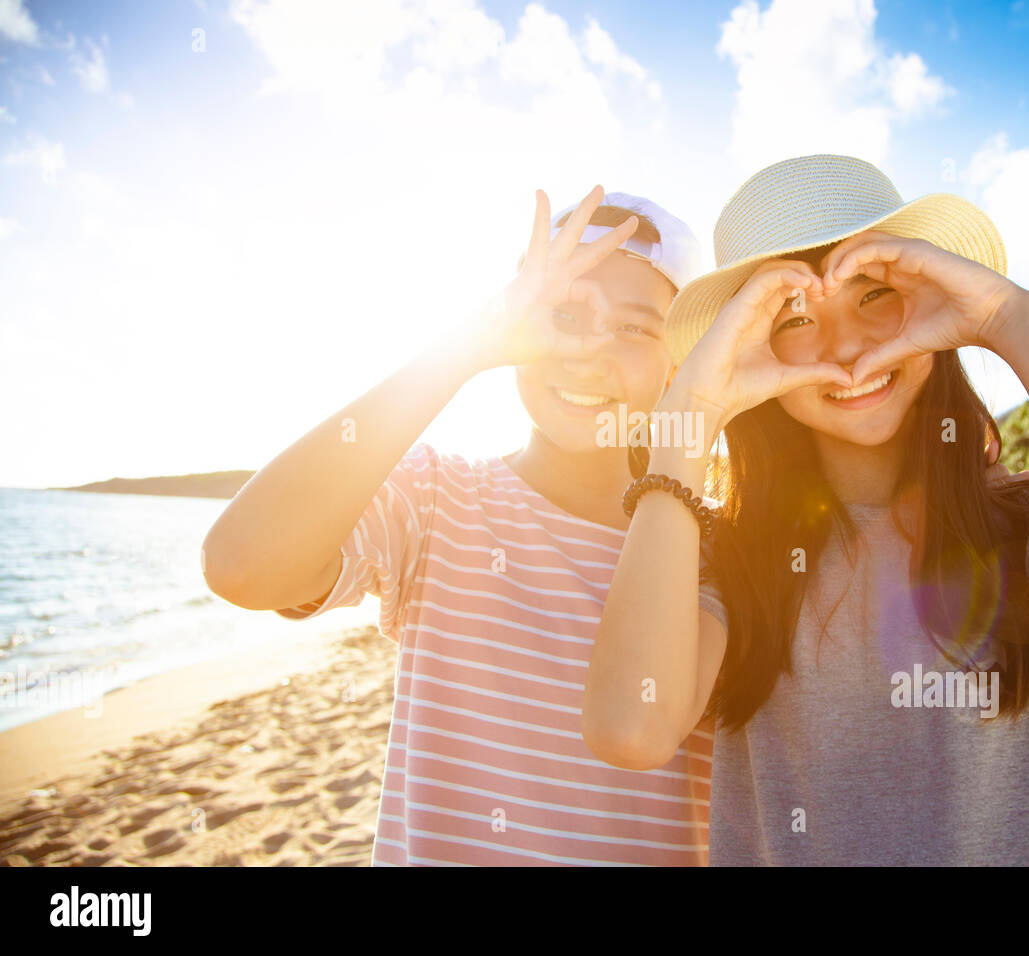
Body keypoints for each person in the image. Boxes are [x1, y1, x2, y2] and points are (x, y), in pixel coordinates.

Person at [582, 155, 1029, 865]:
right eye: (795, 318)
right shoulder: (727, 554)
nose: (846, 349)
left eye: (874, 297)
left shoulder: (1020, 525)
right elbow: (630, 729)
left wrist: (1014, 320)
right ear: (751, 347)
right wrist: (694, 409)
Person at [202, 185, 714, 865]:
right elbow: (241, 567)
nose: (587, 349)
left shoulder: (715, 547)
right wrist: (469, 346)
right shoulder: (437, 496)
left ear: (681, 357)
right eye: (561, 312)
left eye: (633, 328)